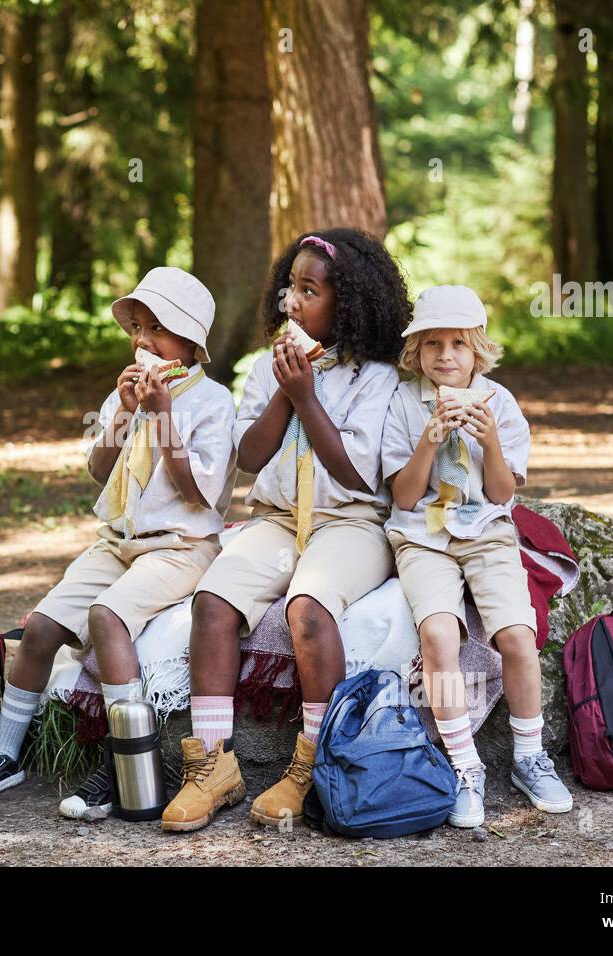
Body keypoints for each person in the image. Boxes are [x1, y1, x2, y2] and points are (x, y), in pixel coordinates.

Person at [0, 268, 237, 822]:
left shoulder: (213, 402)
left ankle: (127, 758)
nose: (142, 341)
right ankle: (5, 755)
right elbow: (99, 470)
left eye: (158, 329)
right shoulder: (123, 394)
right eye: (137, 328)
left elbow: (197, 493)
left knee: (108, 618)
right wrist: (127, 414)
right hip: (118, 540)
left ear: (191, 343)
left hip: (181, 545)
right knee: (38, 629)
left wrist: (164, 418)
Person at [161, 228, 410, 833]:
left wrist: (307, 396)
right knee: (214, 602)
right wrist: (285, 390)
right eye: (288, 289)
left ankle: (310, 762)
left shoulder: (376, 379)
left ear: (347, 303)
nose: (291, 303)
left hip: (350, 521)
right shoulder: (266, 367)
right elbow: (248, 456)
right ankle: (213, 765)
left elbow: (354, 473)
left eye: (309, 290)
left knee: (309, 607)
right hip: (276, 520)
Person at [380, 284, 573, 828]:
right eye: (433, 344)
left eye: (459, 344)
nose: (446, 356)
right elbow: (404, 497)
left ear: (478, 351)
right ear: (416, 350)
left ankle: (529, 756)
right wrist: (428, 440)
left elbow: (503, 495)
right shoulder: (402, 400)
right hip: (422, 535)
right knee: (438, 634)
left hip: (486, 530)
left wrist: (490, 443)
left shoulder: (501, 403)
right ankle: (464, 765)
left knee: (517, 633)